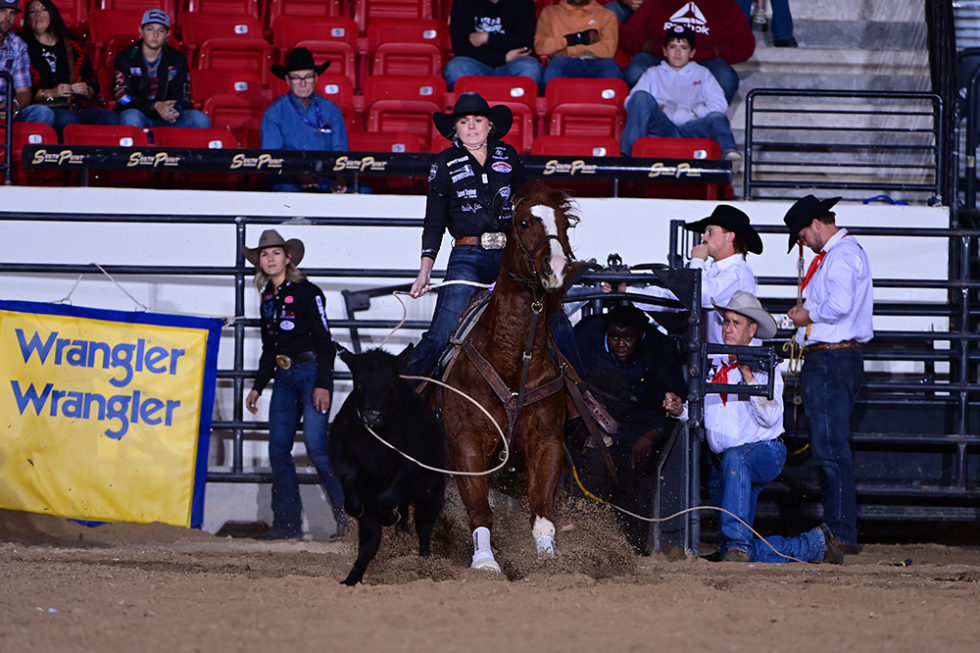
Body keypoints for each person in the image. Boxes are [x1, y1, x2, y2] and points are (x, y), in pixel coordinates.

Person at [663, 291, 845, 564]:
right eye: (726, 322)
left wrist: (748, 375)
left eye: (736, 323)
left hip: (762, 452)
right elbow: (709, 411)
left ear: (752, 330)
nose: (727, 328)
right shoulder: (715, 364)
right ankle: (812, 545)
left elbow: (770, 419)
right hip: (727, 459)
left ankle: (738, 545)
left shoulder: (764, 366)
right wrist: (682, 410)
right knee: (736, 547)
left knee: (737, 463)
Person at [403, 92, 526, 380]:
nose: (471, 126)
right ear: (455, 128)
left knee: (552, 323)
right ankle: (406, 400)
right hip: (467, 257)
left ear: (489, 125)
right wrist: (425, 271)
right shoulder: (444, 163)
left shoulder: (507, 155)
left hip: (511, 257)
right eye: (464, 121)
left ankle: (581, 400)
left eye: (478, 120)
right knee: (441, 333)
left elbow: (528, 203)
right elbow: (434, 221)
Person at [244, 229, 347, 540]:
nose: (270, 258)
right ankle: (287, 525)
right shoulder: (267, 299)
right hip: (284, 376)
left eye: (276, 253)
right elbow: (269, 348)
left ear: (288, 258)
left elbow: (326, 343)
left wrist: (323, 384)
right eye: (264, 254)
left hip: (310, 372)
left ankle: (349, 521)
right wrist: (258, 386)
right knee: (278, 449)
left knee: (317, 448)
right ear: (260, 262)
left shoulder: (307, 292)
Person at [783, 195, 873, 555]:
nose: (802, 242)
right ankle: (840, 528)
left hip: (831, 359)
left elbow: (838, 306)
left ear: (816, 225)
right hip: (835, 359)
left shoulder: (840, 256)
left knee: (830, 448)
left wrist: (806, 316)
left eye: (802, 235)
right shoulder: (842, 254)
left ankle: (840, 531)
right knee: (830, 447)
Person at [570, 305, 687, 553]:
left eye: (629, 338)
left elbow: (673, 400)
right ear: (606, 333)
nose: (621, 344)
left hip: (641, 424)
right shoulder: (584, 336)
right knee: (589, 470)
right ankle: (588, 541)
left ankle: (634, 547)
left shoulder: (661, 348)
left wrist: (652, 434)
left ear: (641, 335)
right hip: (593, 421)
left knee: (638, 475)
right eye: (615, 337)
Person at [632, 204, 760, 345]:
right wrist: (627, 291)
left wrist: (697, 260)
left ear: (730, 236)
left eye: (710, 232)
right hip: (719, 359)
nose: (703, 237)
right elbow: (675, 296)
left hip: (733, 361)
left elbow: (698, 295)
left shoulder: (739, 273)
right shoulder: (717, 271)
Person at [620, 25, 739, 159]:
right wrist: (661, 108)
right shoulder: (653, 73)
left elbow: (720, 104)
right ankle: (627, 157)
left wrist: (694, 113)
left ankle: (729, 154)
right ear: (665, 51)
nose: (677, 52)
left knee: (716, 118)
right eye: (672, 47)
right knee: (641, 97)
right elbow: (630, 101)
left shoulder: (703, 73)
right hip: (662, 127)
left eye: (683, 48)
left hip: (692, 126)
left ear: (692, 52)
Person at [619, 0, 755, 103]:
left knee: (725, 76)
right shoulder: (656, 2)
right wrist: (651, 47)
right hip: (660, 58)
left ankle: (706, 124)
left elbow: (746, 43)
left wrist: (714, 52)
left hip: (706, 62)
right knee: (635, 70)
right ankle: (651, 119)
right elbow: (629, 32)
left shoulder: (726, 5)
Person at [17, 0, 118, 136]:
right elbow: (19, 91)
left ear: (52, 15)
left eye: (43, 10)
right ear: (27, 20)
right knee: (68, 120)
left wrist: (86, 89)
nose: (38, 15)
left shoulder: (72, 46)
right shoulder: (21, 47)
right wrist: (51, 92)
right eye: (33, 11)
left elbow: (92, 83)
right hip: (41, 108)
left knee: (109, 118)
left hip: (73, 106)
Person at [261, 47, 348, 193]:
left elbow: (340, 150)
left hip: (325, 175)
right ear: (288, 80)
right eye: (296, 77)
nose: (303, 83)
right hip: (289, 177)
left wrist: (339, 178)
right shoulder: (274, 113)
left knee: (361, 190)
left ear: (315, 78)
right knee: (286, 189)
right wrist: (298, 174)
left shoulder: (331, 109)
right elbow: (272, 156)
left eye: (308, 77)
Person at [112, 9, 209, 130]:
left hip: (167, 116)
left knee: (200, 120)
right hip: (139, 113)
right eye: (150, 29)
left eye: (161, 30)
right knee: (131, 118)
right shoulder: (126, 57)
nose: (155, 35)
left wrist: (172, 109)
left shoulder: (177, 59)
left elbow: (183, 94)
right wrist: (154, 106)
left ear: (167, 34)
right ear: (140, 31)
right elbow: (122, 98)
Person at [444, 0, 542, 92]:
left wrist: (487, 38)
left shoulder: (523, 3)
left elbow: (524, 43)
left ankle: (516, 107)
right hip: (477, 61)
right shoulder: (464, 3)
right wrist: (503, 57)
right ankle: (472, 107)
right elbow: (461, 46)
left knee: (530, 67)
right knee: (455, 67)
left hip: (513, 62)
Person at [534, 0, 622, 90]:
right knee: (554, 69)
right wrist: (576, 38)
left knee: (611, 70)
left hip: (597, 60)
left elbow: (608, 50)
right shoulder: (550, 12)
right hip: (563, 61)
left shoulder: (607, 14)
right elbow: (540, 46)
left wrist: (568, 51)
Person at [0, 0, 32, 122]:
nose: (8, 18)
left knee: (42, 113)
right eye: (2, 11)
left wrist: (12, 106)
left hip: (6, 110)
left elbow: (24, 91)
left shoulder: (18, 45)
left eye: (12, 13)